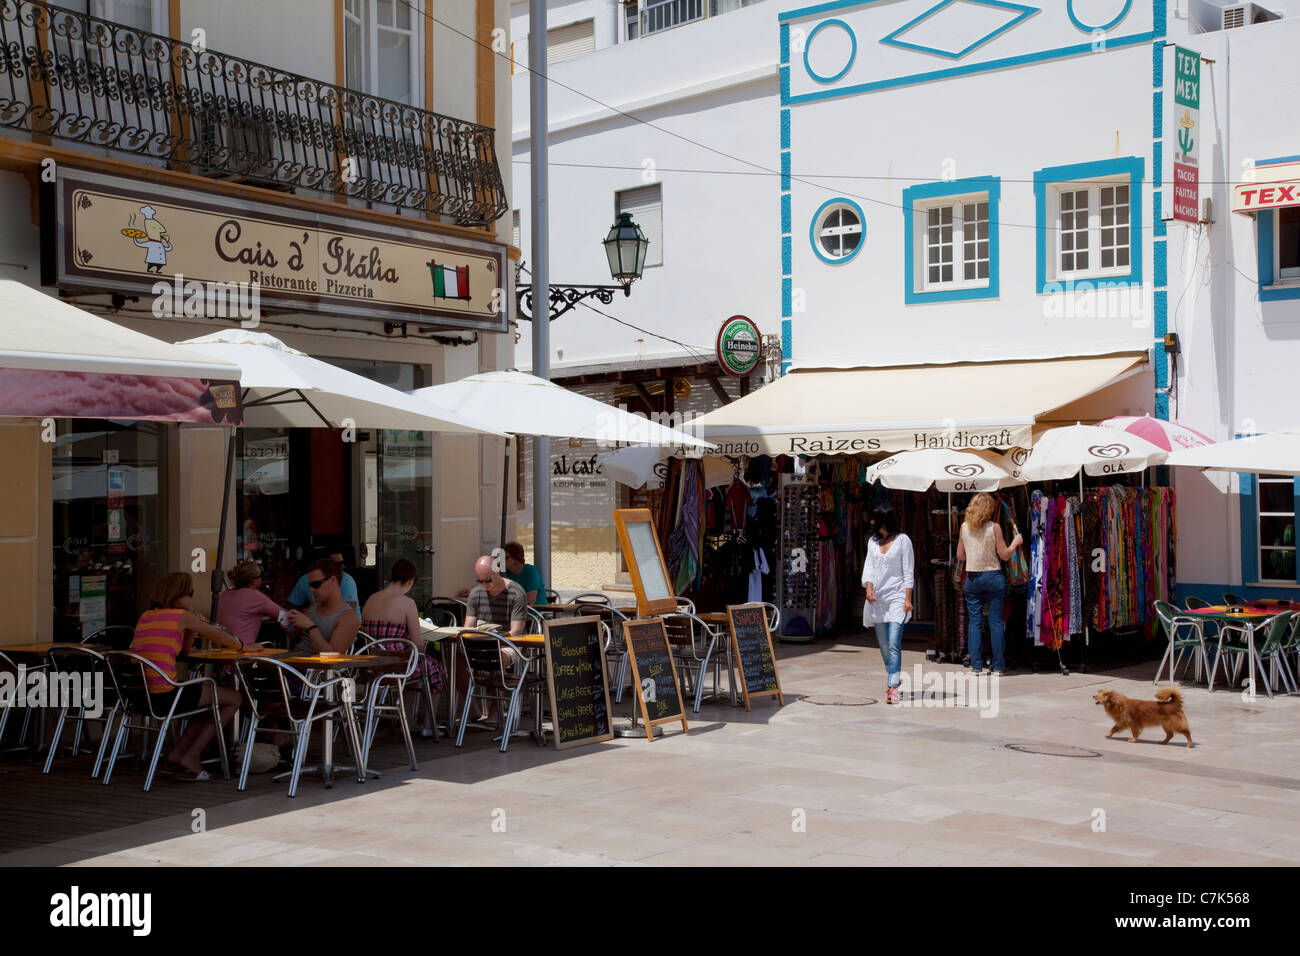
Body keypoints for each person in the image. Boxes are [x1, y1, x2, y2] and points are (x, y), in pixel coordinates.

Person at [129, 571, 244, 780]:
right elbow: (222, 637)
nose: (192, 598)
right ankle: (191, 755)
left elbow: (185, 650)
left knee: (207, 701)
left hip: (140, 697)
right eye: (190, 593)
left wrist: (192, 626)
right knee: (234, 698)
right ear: (180, 594)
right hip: (165, 696)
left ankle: (177, 754)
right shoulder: (181, 616)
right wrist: (243, 646)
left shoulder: (145, 616)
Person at [361, 558, 444, 738]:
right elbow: (418, 643)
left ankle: (407, 721)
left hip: (373, 665)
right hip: (398, 665)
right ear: (410, 581)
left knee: (416, 666)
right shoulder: (407, 603)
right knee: (435, 668)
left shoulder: (371, 600)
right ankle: (428, 725)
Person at [957, 493, 1023, 677]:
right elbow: (1004, 555)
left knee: (975, 622)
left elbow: (960, 556)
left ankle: (976, 666)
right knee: (995, 622)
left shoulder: (964, 527)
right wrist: (1015, 543)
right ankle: (998, 666)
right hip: (993, 576)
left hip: (972, 577)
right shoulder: (995, 528)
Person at [462, 556, 529, 727]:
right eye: (480, 580)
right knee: (453, 657)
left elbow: (516, 632)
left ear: (497, 571)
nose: (485, 584)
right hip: (482, 643)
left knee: (495, 657)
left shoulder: (516, 593)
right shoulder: (476, 593)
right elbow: (468, 627)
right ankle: (473, 706)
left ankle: (496, 709)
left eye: (488, 580)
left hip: (510, 644)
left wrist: (492, 640)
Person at [861, 506, 915, 705]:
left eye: (875, 519)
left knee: (893, 643)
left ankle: (892, 686)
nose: (871, 522)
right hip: (878, 600)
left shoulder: (903, 541)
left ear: (885, 520)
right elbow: (869, 568)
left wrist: (908, 598)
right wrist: (868, 588)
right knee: (884, 646)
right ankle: (894, 674)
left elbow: (908, 570)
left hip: (897, 598)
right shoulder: (872, 542)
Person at [287, 558, 361, 654]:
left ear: (333, 580)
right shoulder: (315, 605)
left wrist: (310, 626)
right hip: (295, 661)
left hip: (311, 667)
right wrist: (290, 629)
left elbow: (332, 658)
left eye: (316, 584)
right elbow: (301, 642)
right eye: (310, 585)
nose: (311, 589)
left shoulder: (349, 617)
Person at [216, 561, 289, 645]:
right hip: (241, 650)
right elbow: (284, 617)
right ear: (254, 581)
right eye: (260, 576)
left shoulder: (224, 594)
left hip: (220, 648)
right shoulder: (255, 596)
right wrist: (291, 628)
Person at [288, 550, 359, 613]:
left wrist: (312, 611)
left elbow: (350, 608)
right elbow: (292, 605)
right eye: (339, 564)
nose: (343, 566)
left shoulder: (346, 580)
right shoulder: (305, 580)